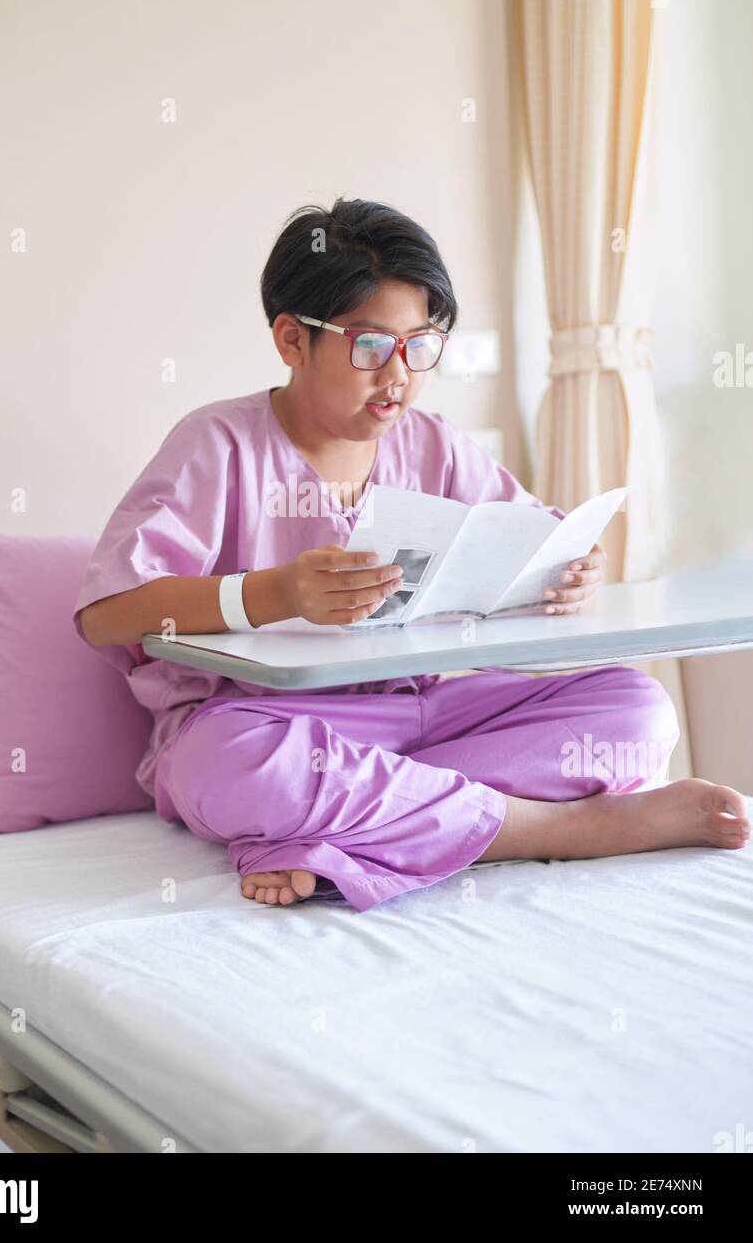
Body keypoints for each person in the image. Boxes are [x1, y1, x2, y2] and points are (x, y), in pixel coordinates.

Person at [74, 198, 749, 912]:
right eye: (370, 346)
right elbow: (106, 615)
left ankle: (341, 833)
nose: (398, 375)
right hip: (268, 723)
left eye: (420, 345)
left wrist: (570, 569)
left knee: (638, 710)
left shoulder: (434, 445)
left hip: (430, 710)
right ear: (291, 340)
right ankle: (565, 827)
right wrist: (272, 594)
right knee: (229, 769)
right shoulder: (218, 445)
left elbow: (535, 533)